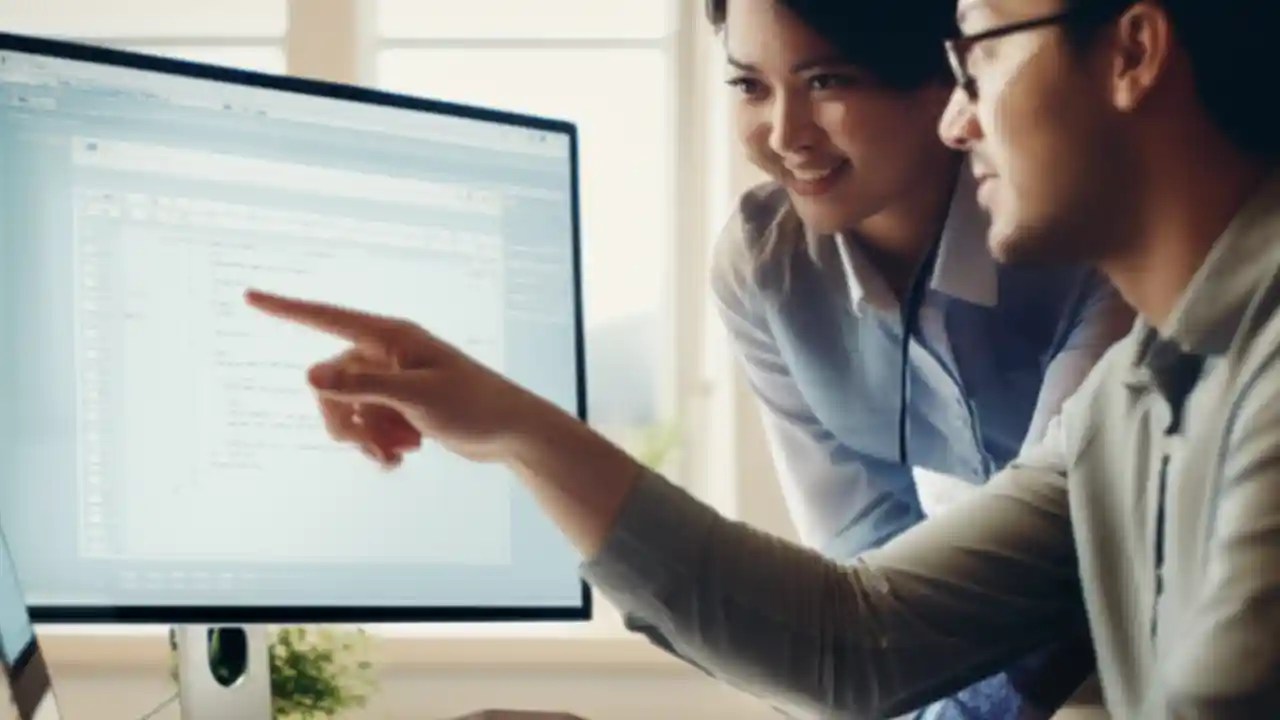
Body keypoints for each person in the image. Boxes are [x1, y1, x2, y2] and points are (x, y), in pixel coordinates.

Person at [245, 0, 1280, 716]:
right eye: (748, 84)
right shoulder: (1138, 395)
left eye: (981, 53)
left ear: (1134, 53)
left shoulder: (1235, 365)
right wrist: (518, 428)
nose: (961, 116)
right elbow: (858, 636)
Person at [700, 0, 1132, 716]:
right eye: (750, 86)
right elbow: (862, 555)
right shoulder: (765, 269)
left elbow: (1057, 559)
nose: (784, 136)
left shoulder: (1080, 228)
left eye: (828, 81)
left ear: (945, 73)